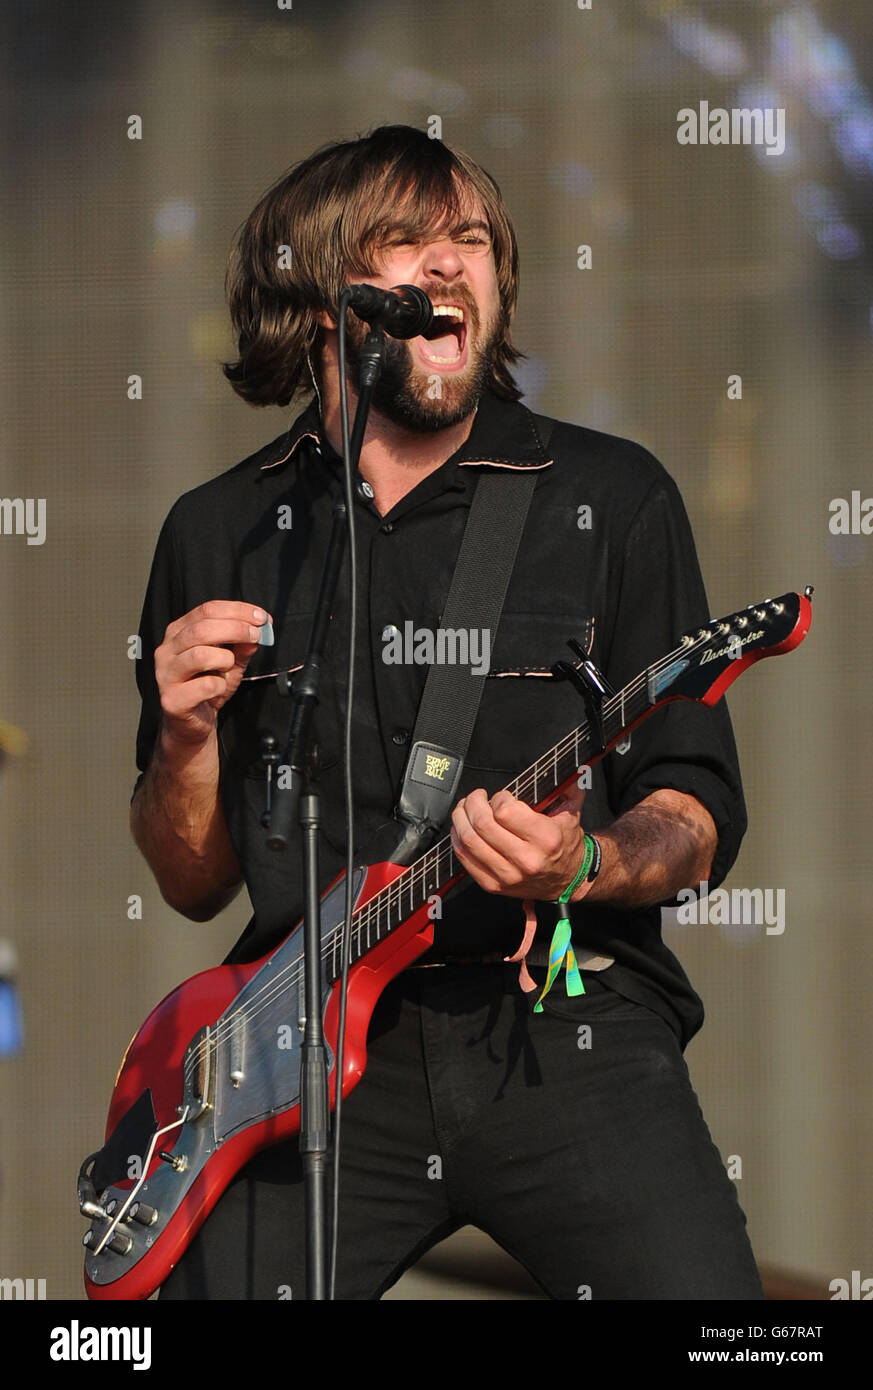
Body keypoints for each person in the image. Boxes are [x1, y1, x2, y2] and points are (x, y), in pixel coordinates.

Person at [131, 124, 764, 1300]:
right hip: (308, 1049)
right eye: (403, 241)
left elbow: (695, 810)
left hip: (560, 1026)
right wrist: (180, 741)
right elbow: (190, 878)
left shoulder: (607, 496)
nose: (448, 266)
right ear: (322, 298)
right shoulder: (218, 531)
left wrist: (587, 859)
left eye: (470, 240)